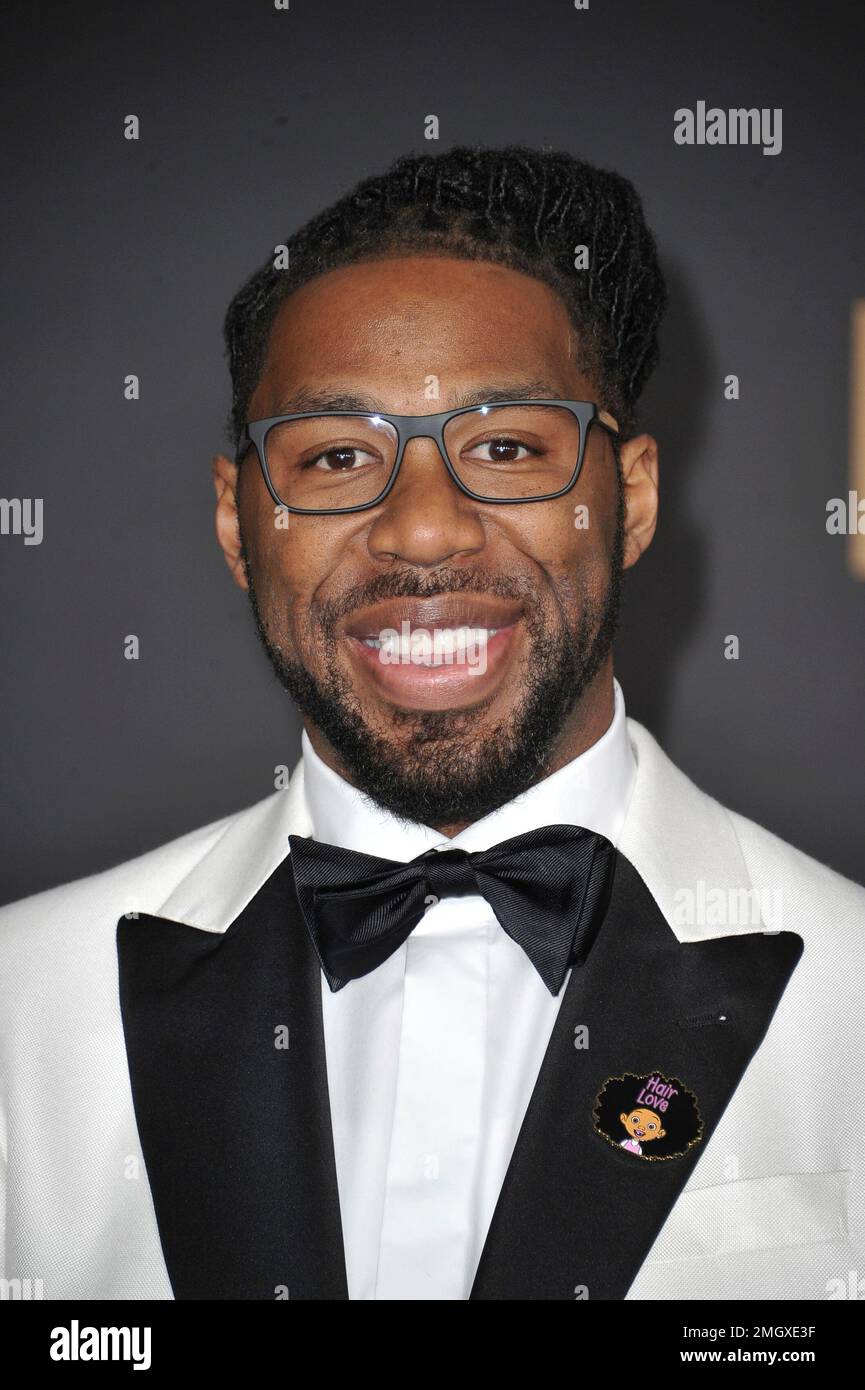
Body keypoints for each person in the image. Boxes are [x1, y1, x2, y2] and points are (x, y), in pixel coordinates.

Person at [1, 145, 862, 1302]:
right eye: (336, 455)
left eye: (505, 447)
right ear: (235, 521)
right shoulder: (21, 1006)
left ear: (634, 499)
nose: (420, 530)